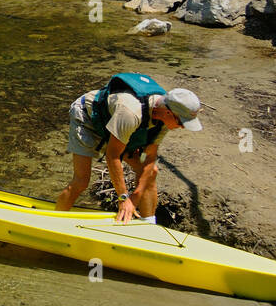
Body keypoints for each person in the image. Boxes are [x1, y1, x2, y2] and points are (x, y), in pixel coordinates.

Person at [55, 72, 203, 223]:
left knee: (150, 173)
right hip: (88, 117)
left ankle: (149, 224)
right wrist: (123, 198)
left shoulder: (164, 119)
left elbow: (150, 158)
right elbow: (112, 156)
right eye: (181, 123)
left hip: (118, 125)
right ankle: (56, 223)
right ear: (168, 113)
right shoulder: (131, 112)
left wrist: (135, 197)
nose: (182, 127)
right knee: (81, 181)